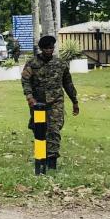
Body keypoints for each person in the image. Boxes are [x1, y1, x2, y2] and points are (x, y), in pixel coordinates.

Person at [21, 35, 80, 170]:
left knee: (54, 129)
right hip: (38, 104)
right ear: (41, 49)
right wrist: (30, 97)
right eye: (46, 48)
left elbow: (68, 83)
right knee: (39, 130)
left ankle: (52, 160)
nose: (49, 50)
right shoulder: (32, 64)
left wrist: (74, 101)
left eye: (51, 48)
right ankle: (41, 158)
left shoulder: (60, 64)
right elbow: (25, 81)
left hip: (56, 102)